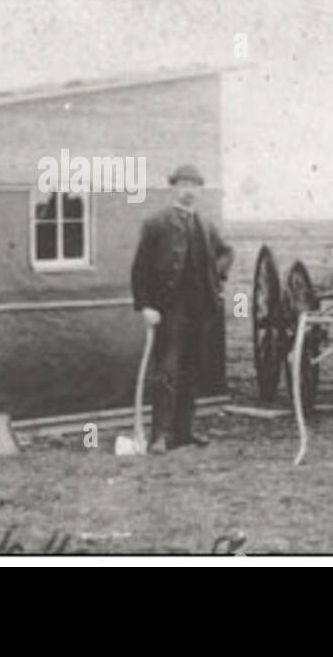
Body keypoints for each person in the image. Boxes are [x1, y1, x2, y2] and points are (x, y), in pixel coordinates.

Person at [130, 163, 233, 453]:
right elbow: (140, 270)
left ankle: (184, 432)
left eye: (194, 186)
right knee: (166, 372)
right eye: (183, 185)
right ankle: (160, 436)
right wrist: (146, 306)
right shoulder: (156, 224)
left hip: (199, 310)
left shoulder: (206, 225)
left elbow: (226, 253)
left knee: (191, 371)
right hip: (168, 311)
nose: (189, 191)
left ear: (200, 190)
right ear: (173, 188)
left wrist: (215, 275)